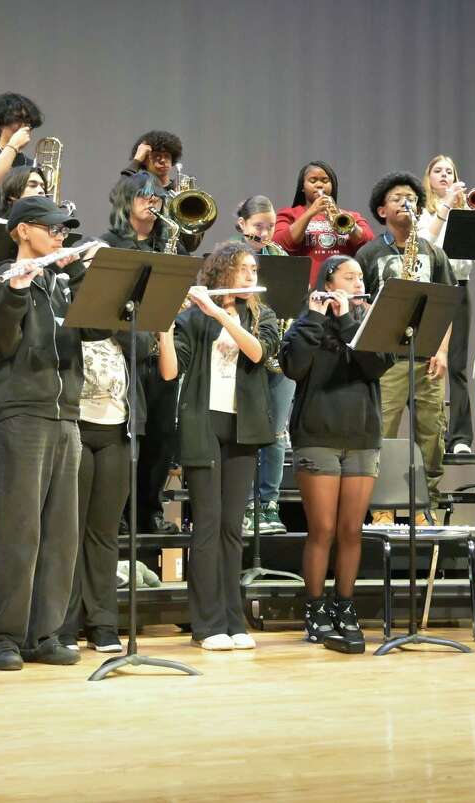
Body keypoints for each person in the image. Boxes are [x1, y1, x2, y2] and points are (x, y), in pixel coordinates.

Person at [0, 196, 109, 671]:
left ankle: (43, 634)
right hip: (20, 414)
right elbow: (1, 342)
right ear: (23, 230)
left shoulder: (60, 283)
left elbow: (95, 331)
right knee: (18, 531)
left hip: (66, 416)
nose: (60, 237)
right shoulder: (0, 278)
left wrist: (83, 274)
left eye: (63, 230)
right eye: (52, 228)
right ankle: (0, 638)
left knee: (60, 534)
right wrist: (16, 290)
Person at [157, 242, 280, 651]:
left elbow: (258, 353)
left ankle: (233, 618)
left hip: (243, 427)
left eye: (253, 269)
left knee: (232, 526)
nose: (250, 276)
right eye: (243, 269)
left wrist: (221, 315)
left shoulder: (261, 316)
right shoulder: (193, 317)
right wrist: (165, 328)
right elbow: (171, 372)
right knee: (208, 524)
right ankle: (207, 624)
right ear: (223, 272)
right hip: (203, 424)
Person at [280, 256, 394, 654]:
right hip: (317, 435)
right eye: (350, 276)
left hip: (362, 436)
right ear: (329, 282)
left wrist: (348, 320)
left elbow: (375, 366)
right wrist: (316, 317)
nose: (358, 282)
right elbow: (294, 367)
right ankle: (315, 610)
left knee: (351, 530)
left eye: (361, 277)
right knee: (323, 529)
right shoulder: (306, 323)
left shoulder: (370, 323)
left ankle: (344, 606)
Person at [356, 172, 456, 521]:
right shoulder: (369, 253)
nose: (406, 202)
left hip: (427, 357)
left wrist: (442, 351)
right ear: (382, 210)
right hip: (387, 359)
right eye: (397, 198)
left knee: (432, 435)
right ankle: (382, 509)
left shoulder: (433, 253)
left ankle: (425, 507)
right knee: (382, 435)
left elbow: (447, 306)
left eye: (411, 198)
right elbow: (357, 303)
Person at [57, 327, 153, 654]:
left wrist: (118, 320)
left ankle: (103, 624)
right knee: (70, 531)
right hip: (74, 425)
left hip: (119, 432)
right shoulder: (69, 311)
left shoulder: (123, 314)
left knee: (105, 532)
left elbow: (144, 346)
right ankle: (64, 624)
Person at [99, 172, 184, 536]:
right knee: (125, 438)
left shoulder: (169, 247)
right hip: (123, 354)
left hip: (161, 354)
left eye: (158, 197)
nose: (153, 203)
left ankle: (149, 511)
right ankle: (117, 513)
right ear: (126, 201)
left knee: (161, 439)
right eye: (144, 196)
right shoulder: (108, 245)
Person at [0, 164, 50, 537]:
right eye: (32, 185)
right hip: (6, 349)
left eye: (43, 186)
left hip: (41, 361)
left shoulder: (51, 244)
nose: (41, 190)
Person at [419, 154, 475, 455]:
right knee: (425, 363)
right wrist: (445, 205)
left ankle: (460, 437)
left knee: (457, 365)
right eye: (438, 171)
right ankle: (429, 434)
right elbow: (425, 244)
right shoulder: (423, 212)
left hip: (458, 285)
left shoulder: (464, 211)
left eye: (450, 171)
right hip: (431, 288)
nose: (445, 175)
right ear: (429, 178)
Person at [233, 196, 291, 536]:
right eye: (258, 226)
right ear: (242, 224)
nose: (265, 233)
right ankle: (244, 503)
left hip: (277, 355)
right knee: (245, 431)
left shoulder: (279, 257)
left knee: (276, 433)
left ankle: (269, 502)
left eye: (270, 227)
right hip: (243, 354)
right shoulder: (229, 258)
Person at [273, 161, 374, 287]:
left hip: (343, 290)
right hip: (306, 289)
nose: (319, 185)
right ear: (302, 187)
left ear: (332, 185)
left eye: (325, 181)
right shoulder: (289, 214)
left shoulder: (351, 216)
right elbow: (279, 244)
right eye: (313, 181)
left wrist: (349, 226)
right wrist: (310, 213)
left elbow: (369, 244)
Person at [120, 130, 203, 252]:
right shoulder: (138, 190)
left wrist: (189, 211)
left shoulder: (182, 192)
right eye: (156, 156)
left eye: (167, 156)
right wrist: (136, 160)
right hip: (141, 253)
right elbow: (120, 192)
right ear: (145, 161)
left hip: (177, 256)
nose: (163, 160)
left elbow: (192, 246)